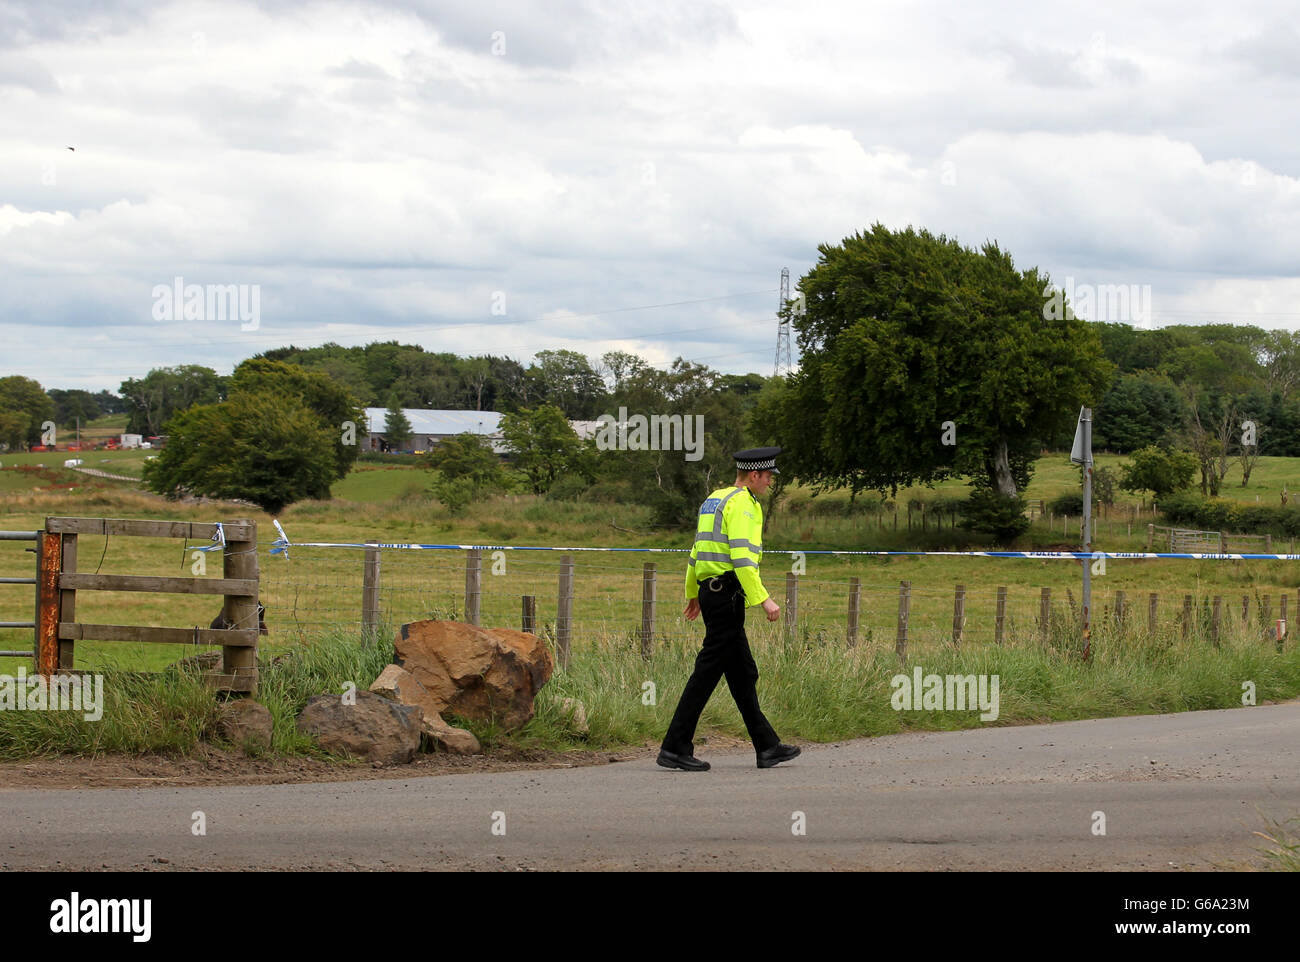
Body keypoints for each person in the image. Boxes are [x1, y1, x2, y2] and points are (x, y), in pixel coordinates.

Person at [657, 446, 801, 772]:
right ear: (754, 475)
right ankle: (675, 747)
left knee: (742, 672)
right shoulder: (744, 505)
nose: (769, 484)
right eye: (767, 478)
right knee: (706, 672)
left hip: (713, 592)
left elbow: (697, 550)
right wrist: (764, 598)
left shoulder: (715, 498)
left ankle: (767, 746)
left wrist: (693, 592)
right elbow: (742, 557)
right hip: (728, 594)